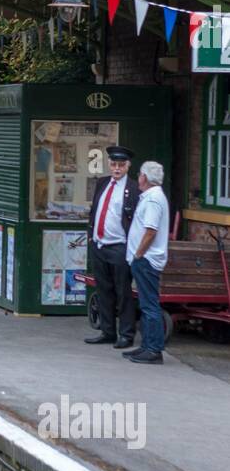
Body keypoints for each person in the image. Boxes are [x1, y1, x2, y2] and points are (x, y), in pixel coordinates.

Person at [85, 145, 140, 348]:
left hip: (119, 246)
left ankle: (126, 334)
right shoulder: (102, 183)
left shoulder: (133, 188)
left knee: (123, 292)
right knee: (103, 290)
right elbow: (95, 210)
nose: (117, 168)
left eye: (121, 165)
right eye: (114, 164)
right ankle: (107, 331)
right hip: (100, 244)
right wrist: (91, 236)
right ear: (109, 164)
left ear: (128, 166)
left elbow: (135, 219)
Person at [125, 161, 171, 365]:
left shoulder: (153, 200)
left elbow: (151, 231)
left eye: (139, 174)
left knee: (149, 305)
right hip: (146, 259)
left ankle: (153, 349)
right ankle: (147, 345)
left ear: (144, 177)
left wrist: (138, 254)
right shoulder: (153, 197)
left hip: (146, 260)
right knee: (145, 304)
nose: (138, 178)